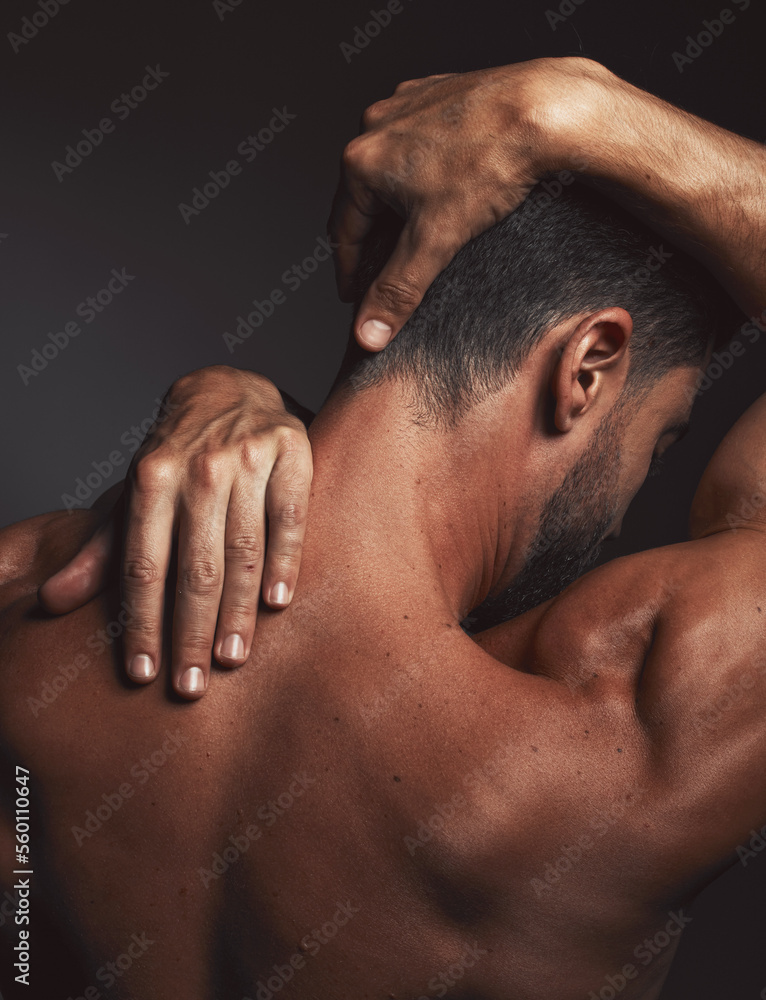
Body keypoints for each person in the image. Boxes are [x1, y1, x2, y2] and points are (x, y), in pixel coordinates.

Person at [0, 57, 763, 999]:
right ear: (590, 365)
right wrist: (583, 114)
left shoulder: (28, 590)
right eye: (662, 435)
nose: (626, 510)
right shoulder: (629, 730)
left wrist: (245, 392)